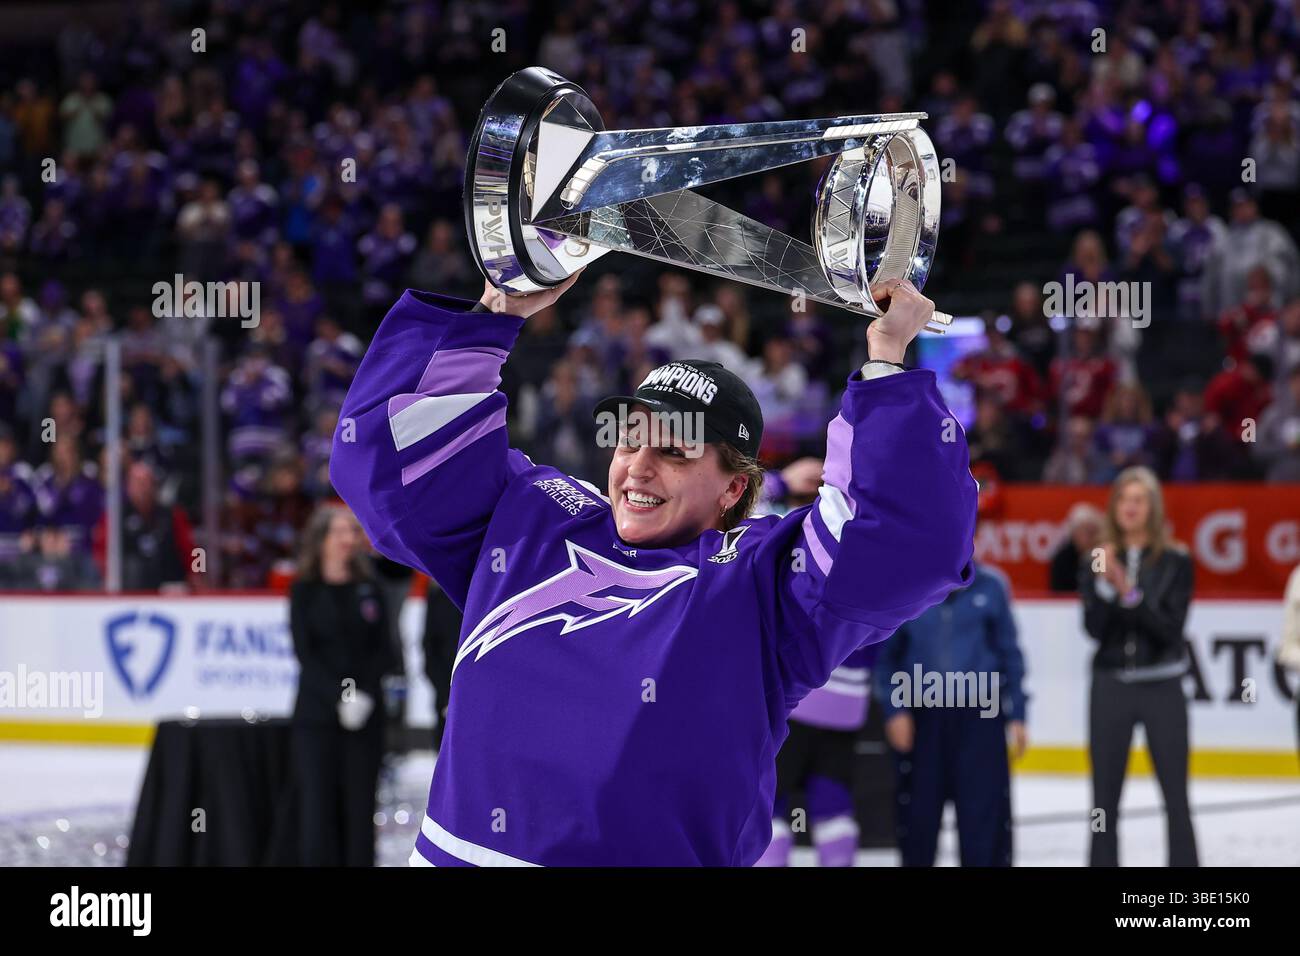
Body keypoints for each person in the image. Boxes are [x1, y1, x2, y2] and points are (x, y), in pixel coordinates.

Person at [331, 271, 977, 867]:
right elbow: (386, 459)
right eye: (630, 438)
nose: (638, 466)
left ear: (733, 490)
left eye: (673, 451)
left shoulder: (764, 583)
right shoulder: (530, 515)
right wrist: (491, 314)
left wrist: (887, 365)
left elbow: (904, 542)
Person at [873, 557, 1028, 866]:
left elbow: (1010, 653)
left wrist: (1018, 715)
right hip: (922, 721)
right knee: (918, 822)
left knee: (983, 823)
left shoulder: (992, 585)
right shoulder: (907, 586)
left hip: (980, 721)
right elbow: (886, 658)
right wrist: (894, 710)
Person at [1079, 466, 1198, 867]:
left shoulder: (1176, 560)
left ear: (1153, 507)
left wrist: (1127, 590)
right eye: (1124, 500)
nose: (1130, 508)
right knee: (1103, 801)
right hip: (1110, 685)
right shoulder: (1097, 557)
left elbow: (1170, 630)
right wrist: (1104, 584)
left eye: (1139, 500)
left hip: (1162, 687)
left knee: (1176, 798)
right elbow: (1095, 628)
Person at [289, 505, 399, 866]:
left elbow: (384, 650)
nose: (347, 539)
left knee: (359, 807)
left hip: (365, 716)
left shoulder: (370, 588)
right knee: (316, 808)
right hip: (317, 716)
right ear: (321, 540)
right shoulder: (304, 591)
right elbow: (307, 654)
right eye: (339, 532)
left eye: (352, 531)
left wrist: (362, 695)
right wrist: (340, 696)